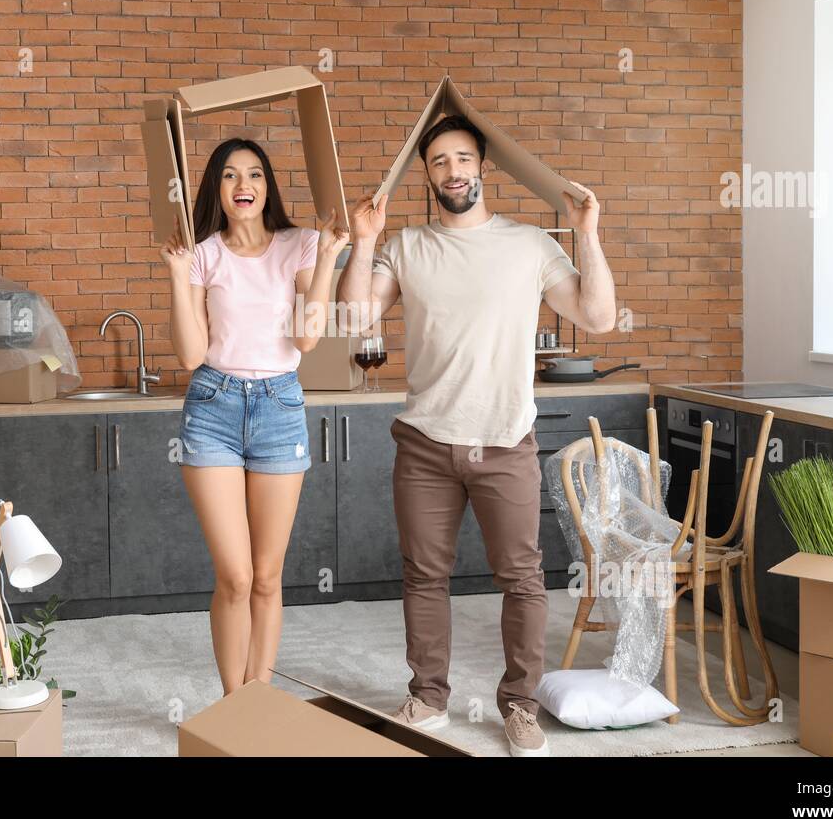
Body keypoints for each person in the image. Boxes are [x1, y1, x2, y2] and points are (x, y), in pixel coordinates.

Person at [335, 114, 617, 756]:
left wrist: (587, 234)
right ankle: (428, 697)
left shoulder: (528, 245)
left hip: (505, 440)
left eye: (463, 159)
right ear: (427, 174)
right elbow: (354, 320)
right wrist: (361, 240)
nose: (453, 171)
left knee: (521, 578)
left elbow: (598, 317)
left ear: (483, 167)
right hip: (425, 443)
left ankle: (520, 705)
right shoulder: (406, 246)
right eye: (438, 162)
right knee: (423, 576)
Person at [161, 137, 349, 694]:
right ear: (216, 189)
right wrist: (176, 273)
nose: (244, 185)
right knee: (236, 576)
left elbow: (309, 337)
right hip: (213, 407)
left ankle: (257, 701)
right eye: (229, 176)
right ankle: (233, 702)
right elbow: (190, 355)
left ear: (268, 187)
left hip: (279, 408)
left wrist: (332, 255)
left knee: (267, 578)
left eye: (256, 175)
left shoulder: (300, 244)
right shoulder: (202, 253)